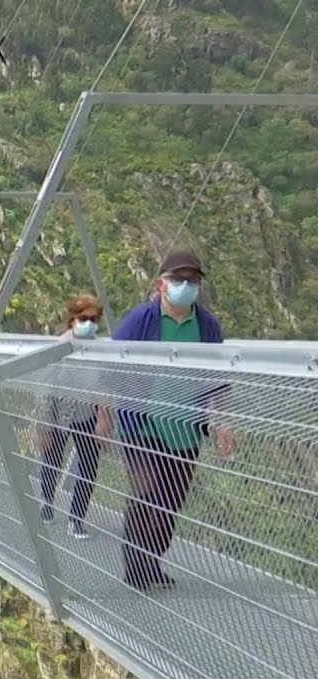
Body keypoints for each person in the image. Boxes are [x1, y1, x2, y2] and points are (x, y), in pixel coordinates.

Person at [106, 249, 235, 591]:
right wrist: (108, 410)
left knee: (170, 501)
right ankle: (135, 567)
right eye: (179, 279)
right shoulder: (142, 320)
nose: (186, 285)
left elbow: (218, 378)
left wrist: (221, 422)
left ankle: (152, 563)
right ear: (161, 284)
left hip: (185, 431)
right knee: (145, 493)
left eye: (193, 280)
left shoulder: (207, 326)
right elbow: (108, 364)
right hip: (143, 427)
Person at [37, 294, 108, 539]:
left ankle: (76, 520)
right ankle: (46, 503)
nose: (89, 323)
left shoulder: (101, 348)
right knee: (52, 461)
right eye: (84, 318)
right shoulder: (60, 346)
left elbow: (105, 386)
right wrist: (44, 427)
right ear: (73, 319)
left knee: (88, 467)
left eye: (94, 319)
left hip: (88, 414)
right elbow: (46, 389)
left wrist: (104, 419)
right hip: (61, 414)